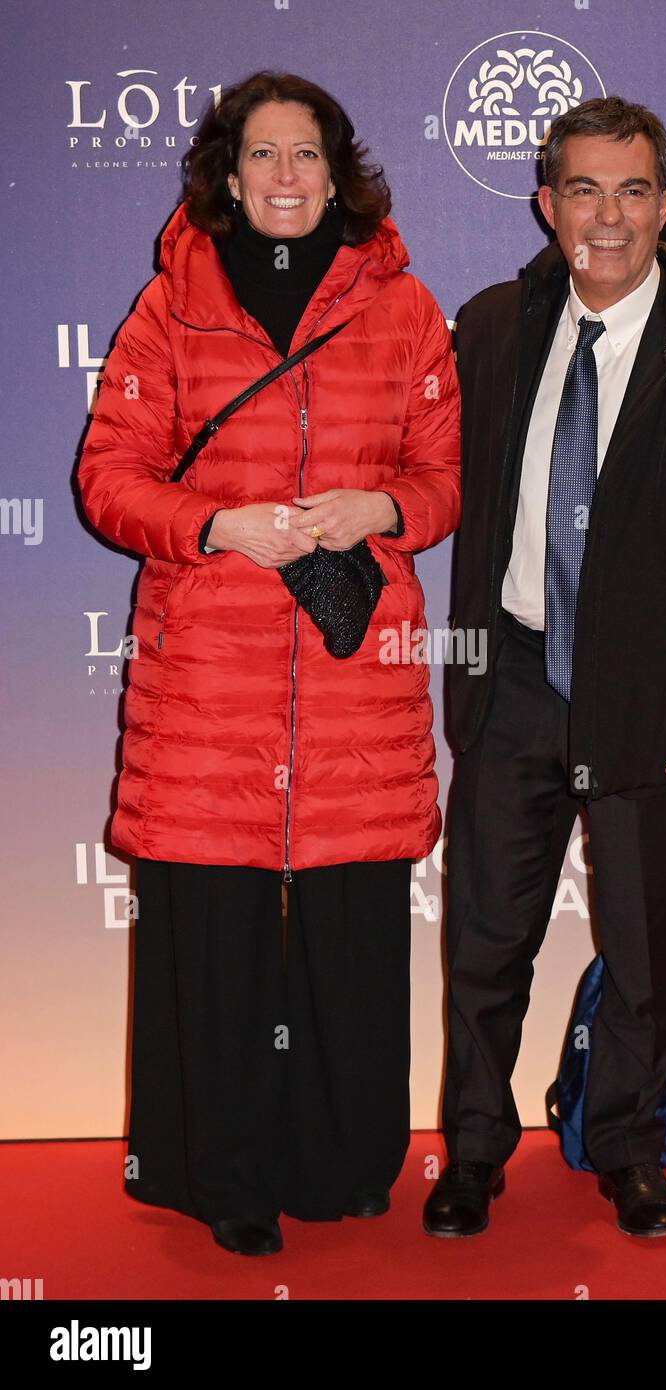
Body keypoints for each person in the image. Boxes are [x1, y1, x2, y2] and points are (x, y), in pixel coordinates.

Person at [425, 96, 666, 1239]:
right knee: (482, 945)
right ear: (546, 203)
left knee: (644, 954)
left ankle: (627, 1145)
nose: (607, 217)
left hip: (652, 710)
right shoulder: (492, 325)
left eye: (632, 190)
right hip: (510, 690)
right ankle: (470, 1152)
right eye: (583, 191)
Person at [77, 70, 460, 1256]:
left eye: (307, 155)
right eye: (263, 155)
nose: (285, 177)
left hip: (352, 678)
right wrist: (212, 524)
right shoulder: (166, 310)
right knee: (214, 927)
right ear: (227, 174)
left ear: (338, 172)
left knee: (350, 929)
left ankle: (342, 1164)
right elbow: (108, 477)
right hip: (208, 677)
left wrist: (378, 505)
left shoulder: (405, 311)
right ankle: (221, 1174)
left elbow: (443, 483)